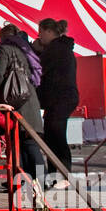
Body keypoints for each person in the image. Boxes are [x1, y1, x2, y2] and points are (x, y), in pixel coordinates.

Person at [0, 23, 45, 184]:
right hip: (30, 99)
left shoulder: (5, 49)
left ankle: (24, 180)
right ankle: (38, 180)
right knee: (29, 142)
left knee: (21, 144)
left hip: (15, 100)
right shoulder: (26, 49)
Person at [36, 17, 80, 187]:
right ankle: (57, 174)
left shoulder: (54, 50)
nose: (39, 37)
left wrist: (37, 52)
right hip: (63, 97)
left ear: (48, 31)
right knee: (53, 136)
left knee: (56, 136)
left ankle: (63, 174)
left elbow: (41, 69)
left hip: (59, 98)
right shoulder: (63, 49)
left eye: (41, 33)